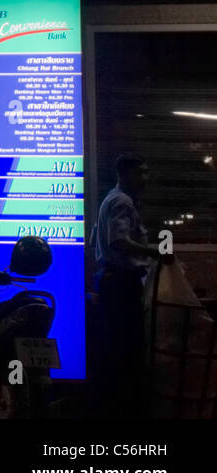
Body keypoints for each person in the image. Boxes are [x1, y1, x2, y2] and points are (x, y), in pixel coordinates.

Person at [91, 153, 169, 417]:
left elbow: (95, 240)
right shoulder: (123, 202)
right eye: (140, 173)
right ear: (124, 175)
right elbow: (118, 241)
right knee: (126, 347)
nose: (145, 179)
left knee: (113, 344)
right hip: (122, 284)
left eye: (146, 172)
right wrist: (152, 251)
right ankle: (123, 408)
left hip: (109, 281)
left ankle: (110, 405)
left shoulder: (110, 200)